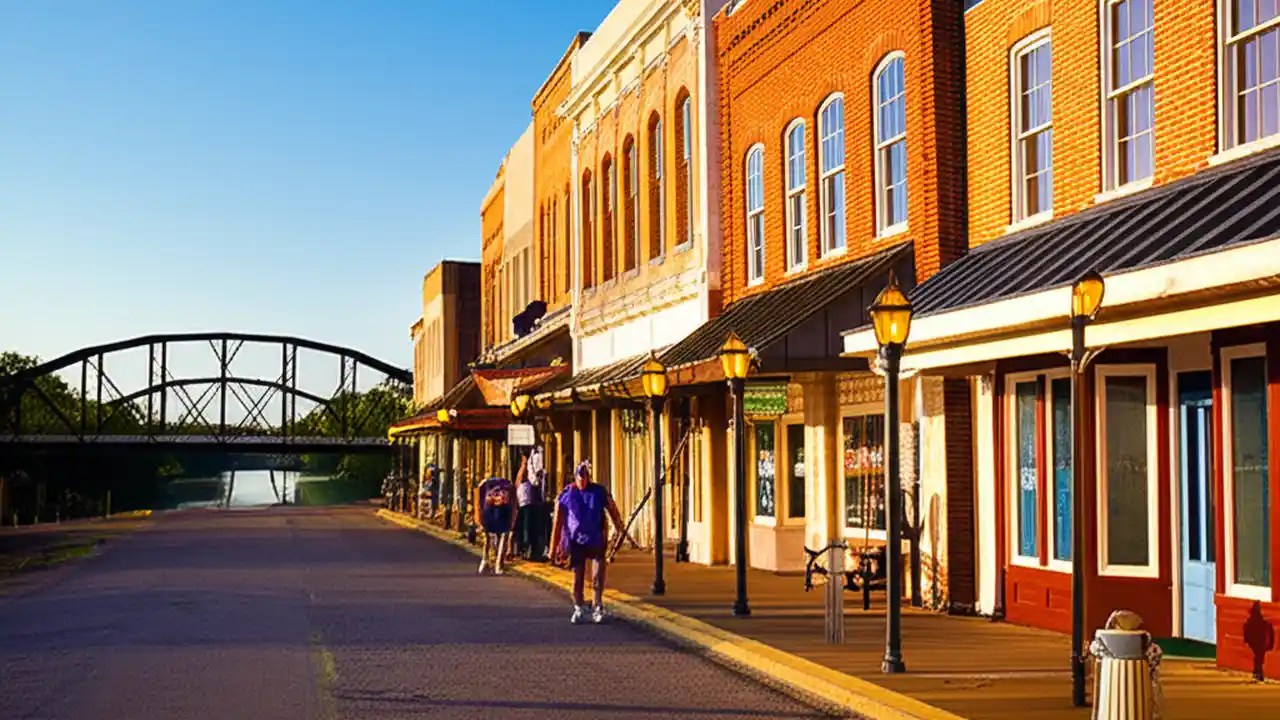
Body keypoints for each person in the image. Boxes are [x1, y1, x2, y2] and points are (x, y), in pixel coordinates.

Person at [550, 460, 625, 624]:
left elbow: (612, 509)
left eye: (585, 478)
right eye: (579, 478)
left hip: (596, 538)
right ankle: (578, 606)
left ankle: (598, 605)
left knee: (598, 574)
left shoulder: (599, 492)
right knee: (578, 575)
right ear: (575, 478)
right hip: (576, 541)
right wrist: (554, 547)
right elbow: (558, 521)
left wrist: (619, 528)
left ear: (589, 477)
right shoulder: (567, 494)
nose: (582, 481)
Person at [474, 474, 516, 574]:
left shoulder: (485, 484)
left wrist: (478, 516)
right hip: (502, 513)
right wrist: (513, 519)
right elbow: (514, 504)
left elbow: (477, 499)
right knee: (502, 537)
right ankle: (497, 565)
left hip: (490, 513)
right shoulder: (509, 485)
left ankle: (485, 561)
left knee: (488, 538)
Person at [516, 450, 546, 560]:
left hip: (532, 503)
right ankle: (527, 550)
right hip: (526, 504)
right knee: (526, 528)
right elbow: (519, 481)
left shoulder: (535, 460)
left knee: (532, 528)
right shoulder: (526, 471)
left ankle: (532, 551)